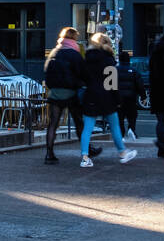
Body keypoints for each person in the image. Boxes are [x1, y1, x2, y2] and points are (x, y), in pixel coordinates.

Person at [78, 33, 138, 168]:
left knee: (87, 128)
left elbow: (83, 79)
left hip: (91, 95)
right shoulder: (108, 60)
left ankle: (85, 157)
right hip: (106, 97)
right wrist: (117, 99)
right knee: (115, 126)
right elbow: (112, 84)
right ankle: (122, 153)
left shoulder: (87, 59)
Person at [42, 27, 100, 165]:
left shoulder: (54, 52)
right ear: (73, 38)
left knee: (53, 124)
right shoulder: (75, 54)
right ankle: (87, 150)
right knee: (79, 122)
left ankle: (49, 153)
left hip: (55, 93)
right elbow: (83, 73)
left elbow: (47, 72)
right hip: (71, 92)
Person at [118, 50, 145, 140]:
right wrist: (143, 96)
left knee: (120, 116)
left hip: (119, 97)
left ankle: (121, 133)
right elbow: (140, 85)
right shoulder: (134, 71)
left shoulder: (114, 70)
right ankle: (131, 130)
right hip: (131, 97)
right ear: (128, 60)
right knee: (132, 115)